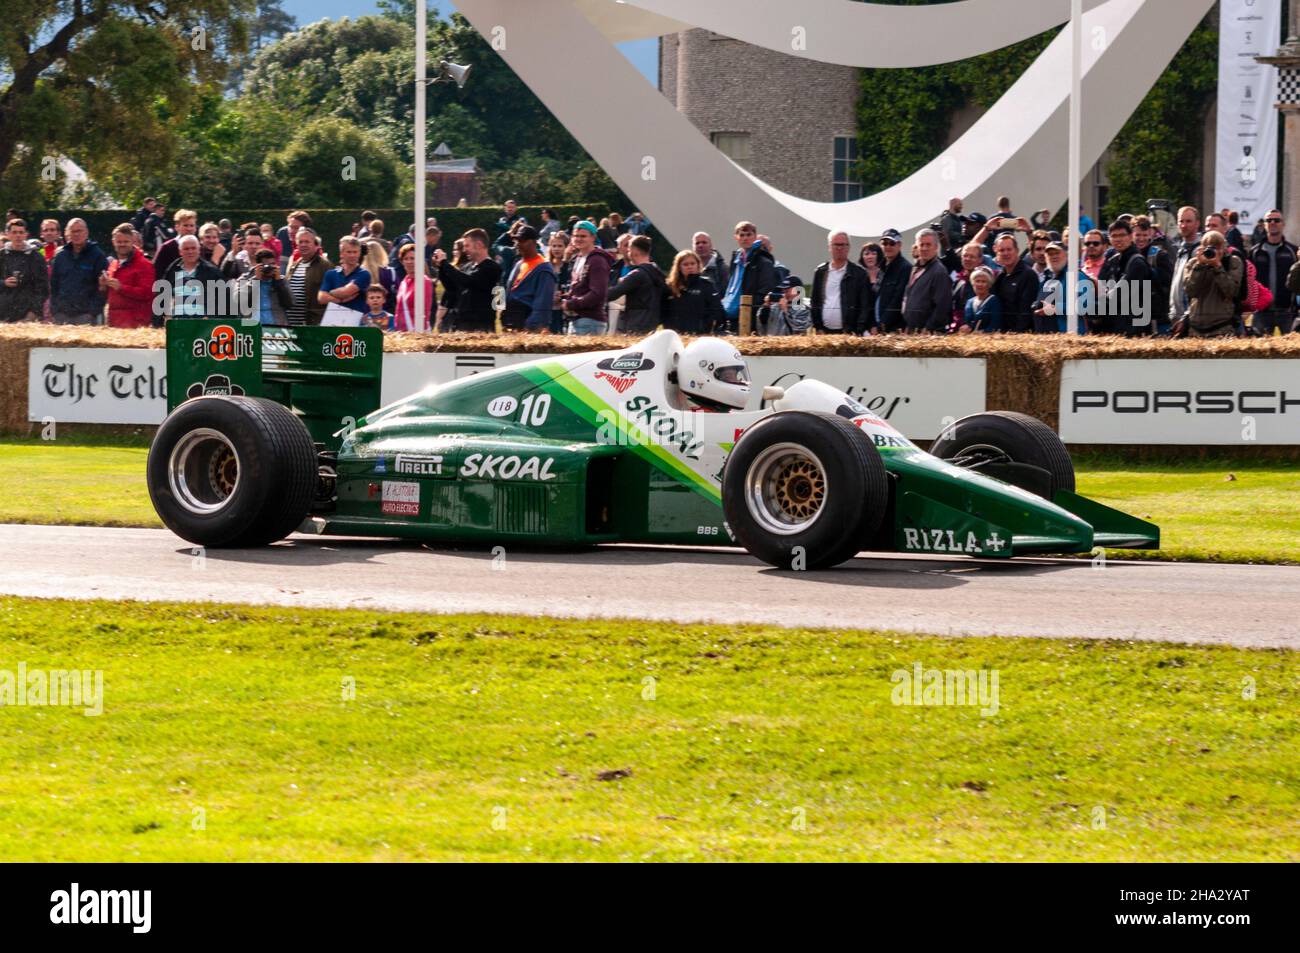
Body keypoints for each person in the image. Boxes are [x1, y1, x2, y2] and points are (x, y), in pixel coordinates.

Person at [435, 228, 501, 332]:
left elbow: (469, 281)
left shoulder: (492, 268)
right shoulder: (468, 267)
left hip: (480, 328)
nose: (464, 250)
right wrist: (441, 267)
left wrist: (444, 263)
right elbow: (452, 287)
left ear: (479, 245)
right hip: (461, 325)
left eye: (467, 246)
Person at [1181, 230, 1242, 338]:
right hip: (1196, 328)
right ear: (1202, 248)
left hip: (1222, 327)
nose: (1213, 251)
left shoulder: (1232, 262)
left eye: (1217, 248)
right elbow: (1190, 290)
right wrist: (1200, 266)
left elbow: (1231, 291)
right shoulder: (1193, 263)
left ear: (1224, 248)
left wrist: (1218, 267)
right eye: (1209, 247)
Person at [721, 221, 778, 334]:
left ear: (755, 237)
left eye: (748, 235)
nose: (745, 238)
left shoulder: (764, 262)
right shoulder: (735, 259)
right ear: (736, 237)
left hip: (748, 319)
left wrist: (748, 309)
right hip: (729, 318)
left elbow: (765, 291)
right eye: (742, 235)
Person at [559, 221, 615, 335]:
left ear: (593, 237)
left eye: (583, 236)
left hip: (590, 321)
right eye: (575, 236)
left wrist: (570, 304)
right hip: (577, 320)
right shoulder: (578, 258)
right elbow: (580, 289)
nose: (578, 239)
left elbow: (598, 293)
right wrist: (563, 298)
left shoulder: (597, 260)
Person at [1097, 219, 1152, 335]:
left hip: (1134, 330)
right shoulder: (1112, 261)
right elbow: (1100, 288)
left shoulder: (1137, 262)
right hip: (1115, 328)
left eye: (1122, 235)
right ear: (1110, 239)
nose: (1118, 239)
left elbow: (1118, 295)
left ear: (1131, 236)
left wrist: (1093, 307)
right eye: (1114, 236)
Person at [49, 218, 108, 324]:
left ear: (86, 232)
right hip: (62, 316)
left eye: (79, 231)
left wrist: (92, 313)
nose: (76, 234)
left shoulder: (97, 256)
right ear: (67, 234)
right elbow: (54, 285)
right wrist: (55, 310)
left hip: (87, 317)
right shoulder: (60, 256)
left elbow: (103, 289)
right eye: (73, 231)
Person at [1247, 209, 1296, 336]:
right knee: (1258, 352)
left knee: (1292, 352)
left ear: (1283, 224)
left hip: (1287, 311)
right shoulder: (1254, 252)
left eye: (1277, 220)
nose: (1273, 223)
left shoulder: (1293, 251)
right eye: (1269, 220)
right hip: (1261, 311)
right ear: (1264, 225)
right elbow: (1248, 281)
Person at [810, 230, 870, 334]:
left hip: (849, 334)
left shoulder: (859, 274)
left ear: (848, 247)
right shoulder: (820, 272)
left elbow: (865, 306)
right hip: (824, 334)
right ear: (829, 247)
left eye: (843, 245)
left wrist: (858, 330)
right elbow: (814, 302)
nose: (839, 248)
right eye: (836, 245)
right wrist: (818, 327)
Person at [606, 235, 667, 335]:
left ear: (635, 251)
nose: (628, 253)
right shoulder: (658, 272)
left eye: (629, 250)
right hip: (652, 325)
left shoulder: (637, 274)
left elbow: (613, 293)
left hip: (635, 326)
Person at [502, 225, 556, 332]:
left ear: (533, 242)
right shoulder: (519, 264)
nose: (517, 244)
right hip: (512, 325)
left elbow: (542, 304)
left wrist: (530, 327)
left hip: (527, 326)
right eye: (516, 240)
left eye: (522, 240)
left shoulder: (544, 268)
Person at [100, 224, 154, 328]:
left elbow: (148, 293)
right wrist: (103, 286)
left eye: (126, 242)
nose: (122, 245)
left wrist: (121, 288)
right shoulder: (113, 264)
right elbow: (111, 295)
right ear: (113, 242)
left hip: (135, 324)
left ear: (133, 242)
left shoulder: (145, 265)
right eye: (119, 242)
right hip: (115, 322)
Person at [157, 234, 223, 320]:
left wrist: (210, 317)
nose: (190, 252)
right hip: (177, 324)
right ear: (180, 252)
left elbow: (222, 301)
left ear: (199, 250)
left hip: (203, 325)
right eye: (186, 249)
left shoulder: (212, 272)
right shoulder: (172, 270)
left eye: (193, 248)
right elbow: (163, 297)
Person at [676, 338, 750, 412]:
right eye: (728, 376)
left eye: (736, 376)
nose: (736, 381)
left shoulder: (714, 416)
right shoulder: (697, 421)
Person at [901, 229, 953, 334]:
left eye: (928, 245)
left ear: (936, 247)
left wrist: (929, 328)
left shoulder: (939, 271)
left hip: (927, 334)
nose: (924, 248)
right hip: (912, 330)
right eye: (921, 245)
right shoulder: (915, 268)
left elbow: (942, 306)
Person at [1032, 242, 1091, 333]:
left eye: (1057, 253)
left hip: (1071, 338)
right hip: (1048, 338)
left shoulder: (1077, 276)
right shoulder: (1046, 279)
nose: (1054, 256)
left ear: (1066, 254)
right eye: (1050, 254)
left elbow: (1087, 305)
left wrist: (1057, 308)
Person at [663, 249, 724, 335]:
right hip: (676, 335)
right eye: (685, 264)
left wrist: (705, 328)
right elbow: (664, 312)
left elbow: (717, 310)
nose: (690, 267)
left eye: (692, 263)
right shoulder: (670, 286)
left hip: (700, 335)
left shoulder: (706, 285)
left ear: (698, 265)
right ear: (679, 267)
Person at [0, 218, 49, 322]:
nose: (18, 235)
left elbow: (43, 289)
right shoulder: (1, 256)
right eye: (14, 232)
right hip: (2, 313)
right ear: (8, 234)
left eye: (21, 232)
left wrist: (33, 314)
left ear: (26, 234)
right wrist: (3, 283)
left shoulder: (37, 258)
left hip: (27, 315)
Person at [1133, 215, 1173, 336]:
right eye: (1138, 235)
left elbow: (1168, 284)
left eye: (1144, 235)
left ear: (1151, 234)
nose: (1141, 239)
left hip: (1156, 318)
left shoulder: (1159, 255)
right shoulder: (1127, 256)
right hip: (1134, 316)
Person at [991, 232, 1039, 332]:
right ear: (996, 252)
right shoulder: (1000, 276)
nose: (1005, 253)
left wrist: (1017, 334)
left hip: (1021, 337)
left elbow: (1026, 311)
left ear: (1017, 250)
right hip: (1002, 335)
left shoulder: (1029, 275)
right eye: (1001, 250)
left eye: (1009, 249)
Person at [232, 247, 292, 325]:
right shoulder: (244, 279)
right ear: (257, 266)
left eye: (272, 264)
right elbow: (238, 302)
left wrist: (279, 283)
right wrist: (255, 281)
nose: (269, 268)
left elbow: (290, 303)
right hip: (252, 327)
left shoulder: (280, 280)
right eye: (266, 265)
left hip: (277, 328)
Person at [283, 228, 330, 326]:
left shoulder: (325, 266)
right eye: (300, 242)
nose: (303, 244)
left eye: (307, 242)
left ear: (315, 245)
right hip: (291, 323)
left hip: (312, 323)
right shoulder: (294, 265)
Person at [318, 236, 372, 318]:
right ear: (341, 254)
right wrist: (341, 300)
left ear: (359, 253)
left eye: (355, 252)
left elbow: (345, 292)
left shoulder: (364, 274)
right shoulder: (330, 274)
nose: (352, 255)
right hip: (333, 320)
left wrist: (330, 292)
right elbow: (321, 298)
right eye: (349, 252)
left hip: (355, 321)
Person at [1168, 206, 1202, 332]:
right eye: (1181, 221)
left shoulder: (1199, 251)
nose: (1184, 225)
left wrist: (1186, 317)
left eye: (1188, 221)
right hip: (1177, 318)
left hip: (1191, 320)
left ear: (1197, 223)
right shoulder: (1181, 249)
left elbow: (1199, 290)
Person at [874, 228, 910, 332]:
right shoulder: (881, 266)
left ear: (899, 245)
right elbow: (876, 294)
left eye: (892, 243)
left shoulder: (905, 268)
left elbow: (897, 301)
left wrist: (882, 325)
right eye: (884, 243)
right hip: (878, 326)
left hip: (893, 329)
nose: (888, 246)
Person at [392, 243, 434, 332]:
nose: (409, 262)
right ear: (402, 262)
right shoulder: (403, 282)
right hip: (401, 333)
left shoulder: (424, 281)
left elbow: (425, 311)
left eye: (412, 258)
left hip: (417, 332)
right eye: (406, 259)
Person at [152, 209, 198, 279]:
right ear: (177, 227)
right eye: (185, 225)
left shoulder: (199, 247)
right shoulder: (167, 247)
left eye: (192, 225)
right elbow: (157, 272)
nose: (189, 229)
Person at [546, 231, 572, 334]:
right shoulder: (546, 266)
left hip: (564, 310)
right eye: (554, 246)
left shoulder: (570, 266)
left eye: (560, 246)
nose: (556, 249)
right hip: (548, 309)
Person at [961, 267, 1001, 332]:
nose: (980, 284)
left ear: (989, 284)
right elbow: (967, 323)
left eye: (983, 281)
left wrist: (978, 333)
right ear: (972, 283)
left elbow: (995, 327)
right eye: (977, 281)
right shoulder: (969, 302)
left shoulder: (994, 301)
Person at [693, 232, 728, 296]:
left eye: (704, 242)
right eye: (697, 243)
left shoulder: (723, 269)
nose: (700, 245)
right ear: (693, 247)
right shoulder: (689, 268)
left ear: (711, 246)